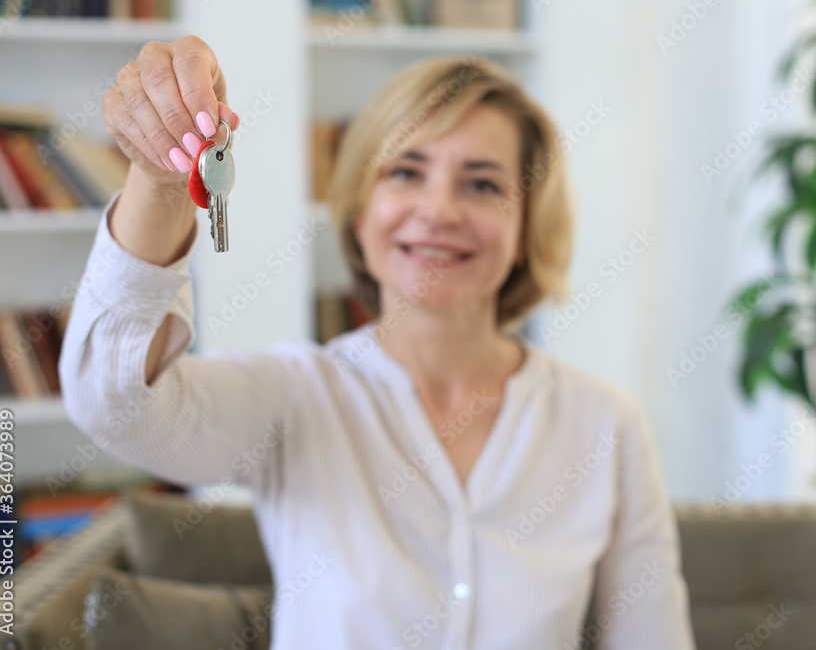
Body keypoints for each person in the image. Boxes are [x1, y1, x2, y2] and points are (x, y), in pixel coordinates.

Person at [59, 35, 696, 650]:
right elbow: (112, 402)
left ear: (528, 228)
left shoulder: (606, 424)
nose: (439, 210)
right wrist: (159, 179)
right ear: (361, 212)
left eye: (481, 184)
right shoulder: (295, 396)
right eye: (406, 171)